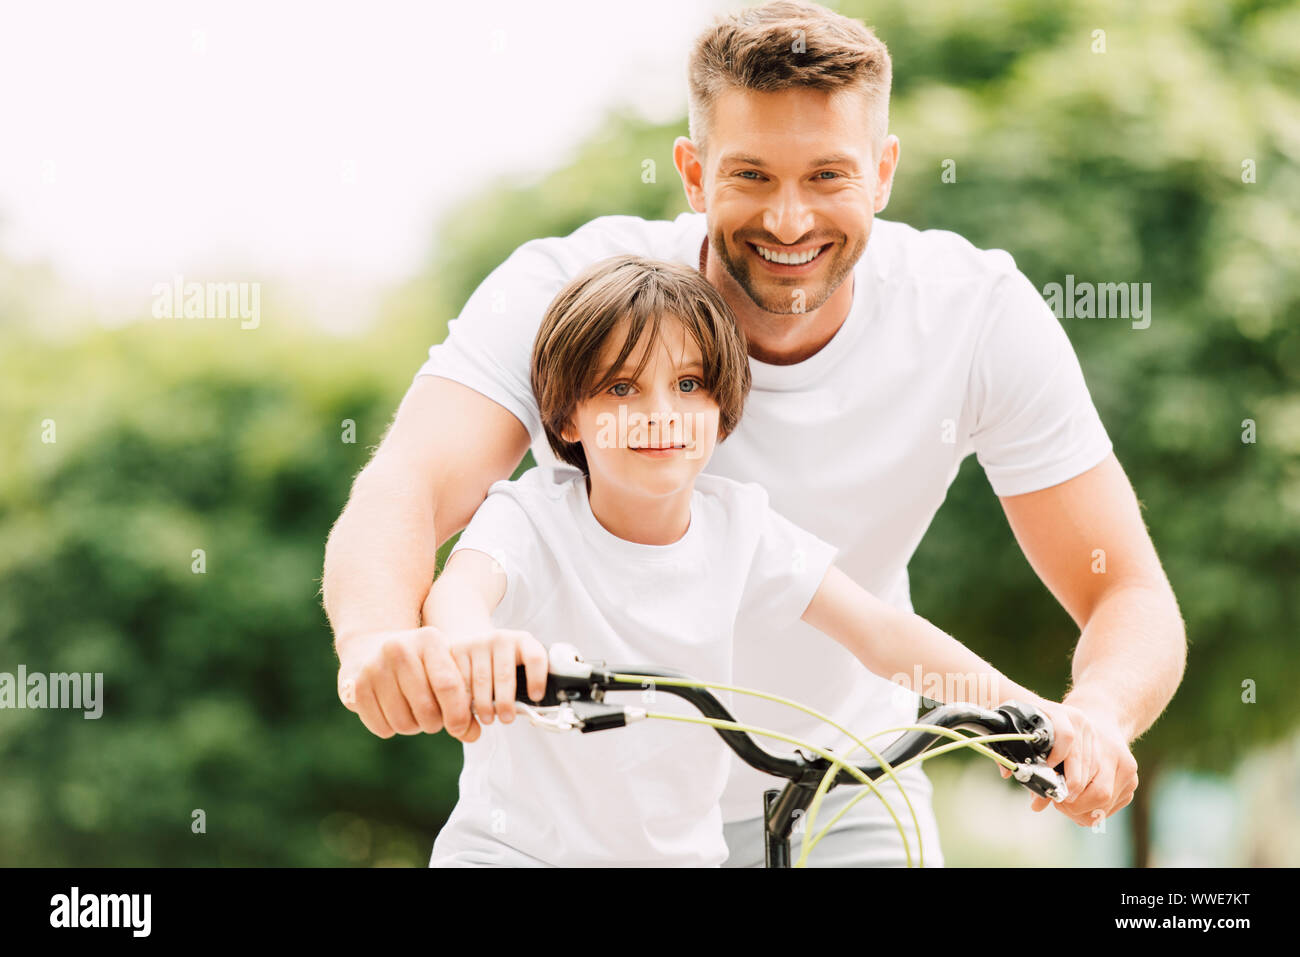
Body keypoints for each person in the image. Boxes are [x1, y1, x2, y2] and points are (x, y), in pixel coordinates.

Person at [325, 0, 1183, 867]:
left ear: (883, 173)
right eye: (752, 176)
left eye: (828, 177)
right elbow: (413, 488)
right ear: (694, 175)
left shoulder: (976, 314)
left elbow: (1126, 590)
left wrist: (1089, 719)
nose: (788, 220)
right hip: (588, 812)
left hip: (850, 779)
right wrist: (382, 647)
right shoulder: (576, 295)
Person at [421, 254, 1069, 866]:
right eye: (622, 386)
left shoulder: (740, 527)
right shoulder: (533, 517)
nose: (660, 413)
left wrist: (1027, 714)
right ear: (566, 417)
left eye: (688, 383)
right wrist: (475, 643)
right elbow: (459, 594)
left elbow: (879, 632)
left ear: (721, 408)